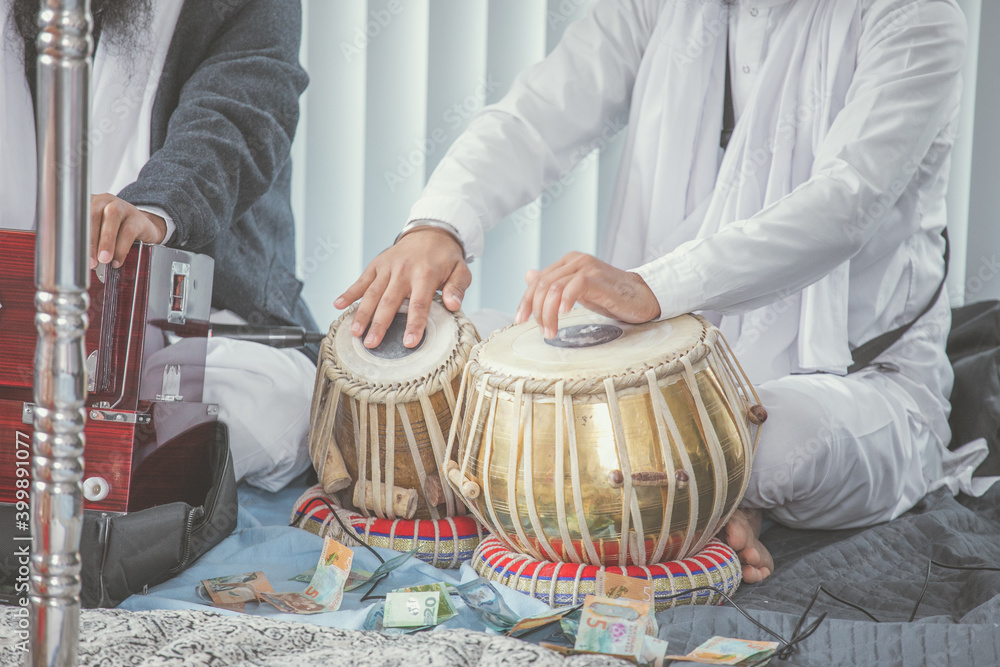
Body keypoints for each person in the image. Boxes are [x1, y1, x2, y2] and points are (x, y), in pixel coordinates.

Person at [338, 0, 990, 581]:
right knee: (464, 360)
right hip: (647, 383)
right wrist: (439, 224)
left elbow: (844, 204)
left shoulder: (916, 17)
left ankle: (731, 493)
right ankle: (711, 503)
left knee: (778, 444)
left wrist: (652, 286)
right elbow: (538, 115)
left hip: (853, 384)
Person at [1, 0, 317, 491]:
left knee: (270, 404)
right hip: (15, 322)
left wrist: (148, 212)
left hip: (196, 325)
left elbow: (237, 118)